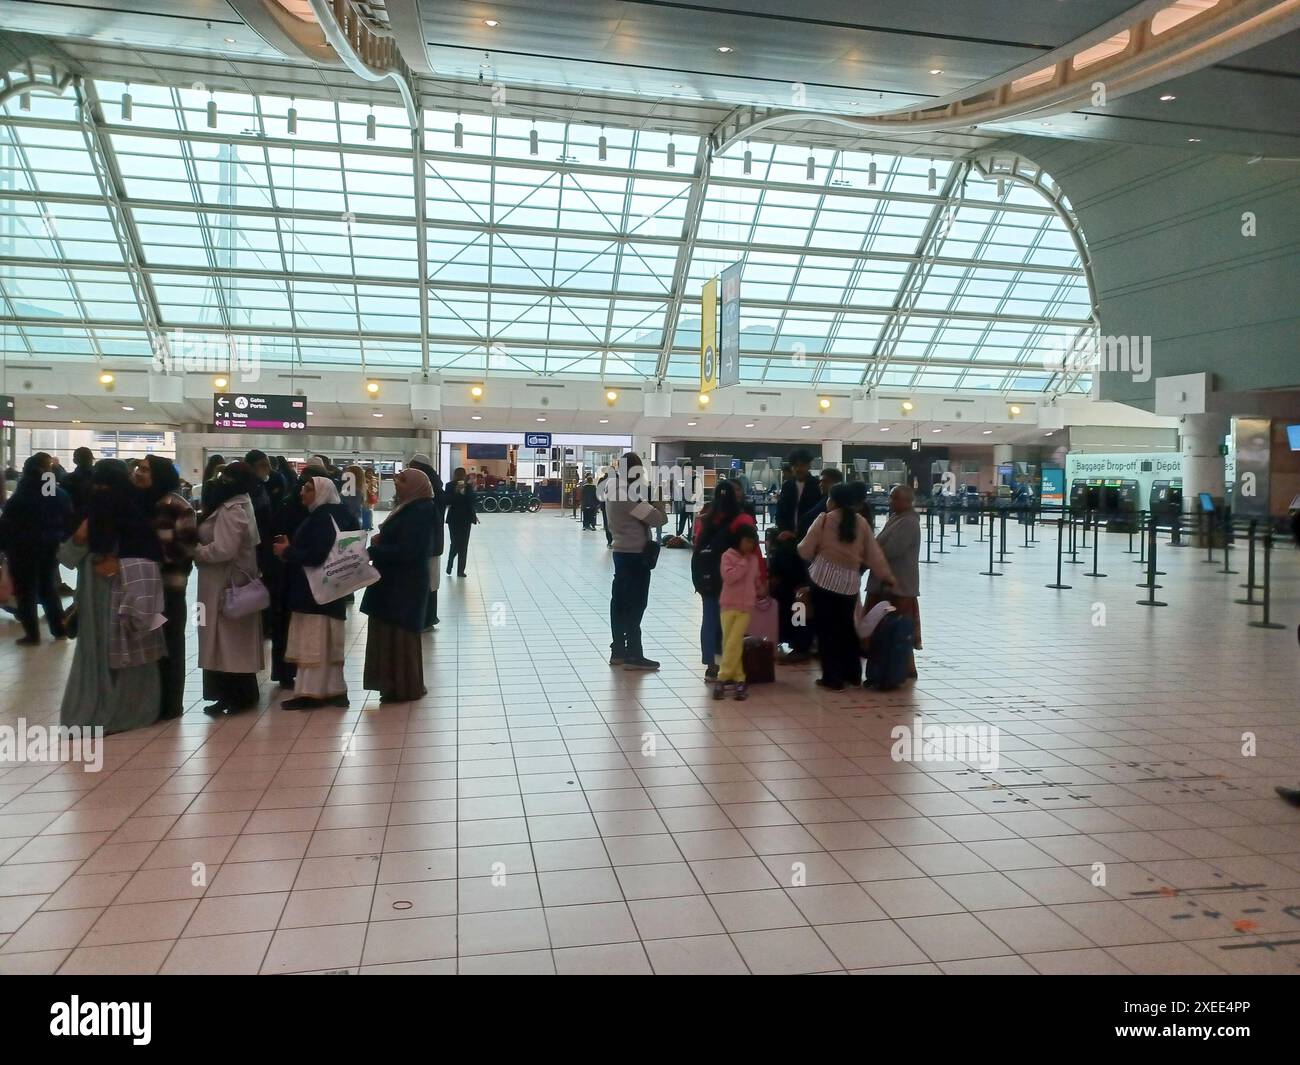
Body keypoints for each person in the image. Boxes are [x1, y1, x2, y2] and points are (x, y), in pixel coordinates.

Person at [59, 459, 163, 734]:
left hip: (116, 596)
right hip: (108, 598)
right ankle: (121, 709)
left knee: (114, 652)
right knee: (117, 653)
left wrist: (117, 565)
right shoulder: (129, 513)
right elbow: (68, 557)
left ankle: (112, 710)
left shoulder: (125, 514)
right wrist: (80, 540)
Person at [798, 482, 895, 691]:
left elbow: (805, 549)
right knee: (847, 629)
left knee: (826, 631)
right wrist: (887, 575)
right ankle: (853, 675)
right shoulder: (861, 523)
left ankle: (832, 679)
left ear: (832, 501)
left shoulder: (824, 520)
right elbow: (874, 554)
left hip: (823, 582)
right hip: (849, 585)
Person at [272, 475, 358, 710]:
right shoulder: (340, 514)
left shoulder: (321, 518)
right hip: (333, 591)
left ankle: (310, 693)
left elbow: (316, 556)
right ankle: (334, 689)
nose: (302, 493)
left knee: (313, 641)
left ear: (320, 493)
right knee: (328, 643)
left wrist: (288, 551)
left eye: (308, 489)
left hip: (312, 592)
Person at [194, 461, 265, 715]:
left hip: (225, 584)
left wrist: (197, 552)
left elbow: (224, 549)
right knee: (227, 642)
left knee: (227, 642)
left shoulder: (232, 509)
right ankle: (228, 695)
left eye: (224, 477)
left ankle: (236, 696)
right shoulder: (242, 504)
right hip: (228, 583)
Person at [361, 468, 437, 703]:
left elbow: (411, 550)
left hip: (404, 583)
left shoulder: (421, 509)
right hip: (395, 581)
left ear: (416, 486)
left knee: (399, 633)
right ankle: (393, 684)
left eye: (403, 480)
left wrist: (374, 551)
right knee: (390, 632)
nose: (396, 482)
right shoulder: (409, 506)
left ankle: (403, 686)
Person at [134, 455, 198, 719]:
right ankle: (152, 702)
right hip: (147, 588)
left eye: (146, 469)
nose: (139, 472)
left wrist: (153, 557)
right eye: (138, 467)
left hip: (167, 589)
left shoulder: (175, 505)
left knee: (169, 643)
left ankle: (169, 705)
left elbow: (186, 548)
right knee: (152, 642)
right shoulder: (144, 502)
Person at [0, 453, 71, 645]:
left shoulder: (20, 496)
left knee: (26, 591)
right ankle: (59, 629)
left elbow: (7, 524)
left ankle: (32, 634)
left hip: (22, 549)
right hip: (49, 546)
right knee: (48, 587)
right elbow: (66, 514)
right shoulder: (56, 493)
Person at [606, 452, 667, 670]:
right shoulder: (626, 494)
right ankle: (633, 654)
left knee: (620, 602)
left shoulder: (613, 489)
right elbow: (658, 519)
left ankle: (618, 651)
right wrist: (658, 499)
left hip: (622, 552)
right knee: (636, 604)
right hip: (634, 556)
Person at [864, 485, 922, 679]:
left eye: (895, 498)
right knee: (893, 628)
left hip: (898, 583)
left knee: (898, 627)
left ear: (907, 501)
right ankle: (901, 665)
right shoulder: (897, 519)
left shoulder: (909, 523)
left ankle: (903, 666)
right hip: (888, 581)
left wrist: (871, 552)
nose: (891, 501)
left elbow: (893, 550)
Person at [691, 481, 744, 681]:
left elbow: (697, 545)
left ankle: (710, 665)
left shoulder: (707, 517)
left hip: (707, 578)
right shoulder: (738, 519)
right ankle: (729, 664)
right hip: (730, 578)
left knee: (709, 619)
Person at [715, 524, 767, 702]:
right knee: (729, 642)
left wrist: (761, 589)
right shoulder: (727, 556)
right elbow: (729, 577)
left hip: (746, 607)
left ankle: (722, 678)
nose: (750, 546)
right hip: (728, 606)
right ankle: (739, 678)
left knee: (734, 640)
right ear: (739, 540)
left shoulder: (753, 559)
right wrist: (744, 562)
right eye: (747, 541)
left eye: (753, 543)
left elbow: (756, 578)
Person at [409, 454, 446, 628]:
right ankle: (428, 617)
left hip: (426, 543)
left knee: (426, 581)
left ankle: (426, 618)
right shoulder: (435, 486)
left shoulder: (428, 491)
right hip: (431, 543)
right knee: (430, 581)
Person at [444, 466, 477, 577]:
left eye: (462, 475)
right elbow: (447, 501)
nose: (460, 477)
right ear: (455, 476)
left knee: (464, 545)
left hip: (466, 519)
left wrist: (469, 490)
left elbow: (472, 501)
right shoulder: (449, 486)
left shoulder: (468, 486)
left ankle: (460, 570)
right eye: (458, 475)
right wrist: (456, 492)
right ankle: (450, 563)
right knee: (455, 543)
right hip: (454, 519)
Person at [63, 446, 95, 523]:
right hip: (96, 520)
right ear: (92, 460)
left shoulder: (67, 479)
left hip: (73, 519)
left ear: (74, 461)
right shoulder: (101, 478)